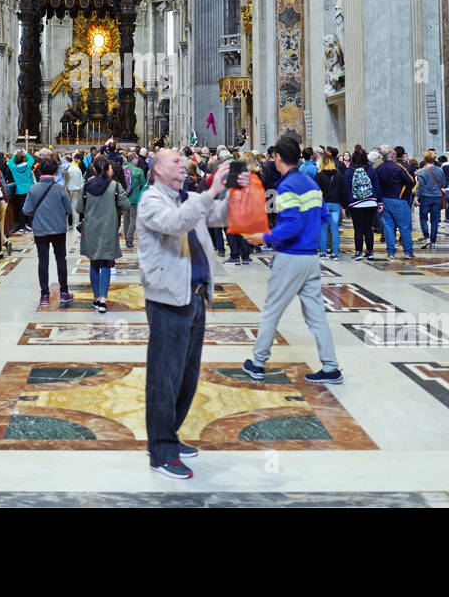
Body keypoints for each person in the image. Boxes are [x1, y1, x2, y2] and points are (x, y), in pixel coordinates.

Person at [136, 148, 232, 479]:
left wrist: (236, 190)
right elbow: (176, 225)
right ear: (158, 169)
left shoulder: (187, 197)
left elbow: (219, 217)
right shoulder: (151, 200)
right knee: (164, 378)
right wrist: (212, 190)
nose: (182, 165)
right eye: (175, 161)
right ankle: (161, 450)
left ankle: (170, 436)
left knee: (187, 377)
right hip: (167, 299)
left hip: (195, 296)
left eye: (182, 161)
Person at [241, 137, 342, 383]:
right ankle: (331, 367)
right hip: (310, 257)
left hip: (291, 257)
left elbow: (291, 225)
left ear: (278, 158)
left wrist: (263, 237)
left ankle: (257, 362)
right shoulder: (311, 183)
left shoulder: (287, 187)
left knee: (272, 311)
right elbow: (323, 217)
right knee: (316, 315)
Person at [77, 157, 129, 312]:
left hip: (91, 228)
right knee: (106, 263)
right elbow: (125, 205)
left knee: (94, 262)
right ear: (108, 170)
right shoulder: (115, 186)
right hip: (108, 228)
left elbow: (80, 208)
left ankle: (96, 297)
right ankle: (103, 300)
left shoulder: (87, 186)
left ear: (94, 170)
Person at [23, 158, 73, 305]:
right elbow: (68, 209)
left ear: (40, 171)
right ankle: (64, 292)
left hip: (40, 230)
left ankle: (44, 295)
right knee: (61, 260)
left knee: (43, 261)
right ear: (56, 171)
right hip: (58, 229)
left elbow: (27, 210)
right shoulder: (60, 188)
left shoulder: (33, 188)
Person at [375, 146, 416, 259]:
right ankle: (408, 251)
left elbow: (376, 184)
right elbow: (411, 181)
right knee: (404, 226)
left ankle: (391, 252)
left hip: (384, 199)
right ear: (393, 156)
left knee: (388, 227)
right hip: (399, 200)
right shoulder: (399, 167)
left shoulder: (379, 168)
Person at [342, 146, 381, 260]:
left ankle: (358, 252)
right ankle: (370, 252)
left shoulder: (349, 172)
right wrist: (379, 202)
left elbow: (346, 188)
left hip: (356, 203)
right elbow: (376, 186)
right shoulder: (371, 170)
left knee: (358, 228)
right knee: (368, 228)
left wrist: (346, 204)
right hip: (370, 202)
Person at [414, 150, 446, 250]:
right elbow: (443, 183)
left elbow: (421, 186)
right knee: (434, 220)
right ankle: (433, 240)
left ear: (425, 159)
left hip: (425, 197)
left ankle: (426, 237)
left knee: (423, 218)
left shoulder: (422, 172)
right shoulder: (440, 170)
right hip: (437, 197)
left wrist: (416, 197)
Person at [316, 151, 344, 259]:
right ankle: (335, 253)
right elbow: (343, 191)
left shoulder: (319, 176)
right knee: (335, 229)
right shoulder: (338, 175)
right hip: (335, 205)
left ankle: (323, 252)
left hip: (323, 204)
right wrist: (344, 204)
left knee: (323, 229)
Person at [122, 150, 145, 248]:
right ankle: (129, 239)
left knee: (126, 218)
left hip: (123, 197)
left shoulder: (122, 169)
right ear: (133, 160)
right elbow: (143, 184)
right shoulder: (138, 171)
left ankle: (127, 238)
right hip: (134, 198)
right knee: (133, 219)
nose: (138, 159)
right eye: (136, 158)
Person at [8, 149, 34, 233]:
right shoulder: (27, 166)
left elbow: (9, 163)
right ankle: (30, 225)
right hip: (30, 189)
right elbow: (32, 159)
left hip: (20, 190)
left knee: (21, 209)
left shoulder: (14, 168)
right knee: (30, 207)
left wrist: (14, 154)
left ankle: (22, 227)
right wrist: (26, 153)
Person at [64, 152, 84, 228]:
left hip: (68, 189)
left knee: (66, 207)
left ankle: (66, 225)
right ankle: (75, 225)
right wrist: (80, 189)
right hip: (76, 190)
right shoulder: (77, 168)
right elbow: (81, 181)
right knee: (75, 208)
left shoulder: (66, 169)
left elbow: (65, 180)